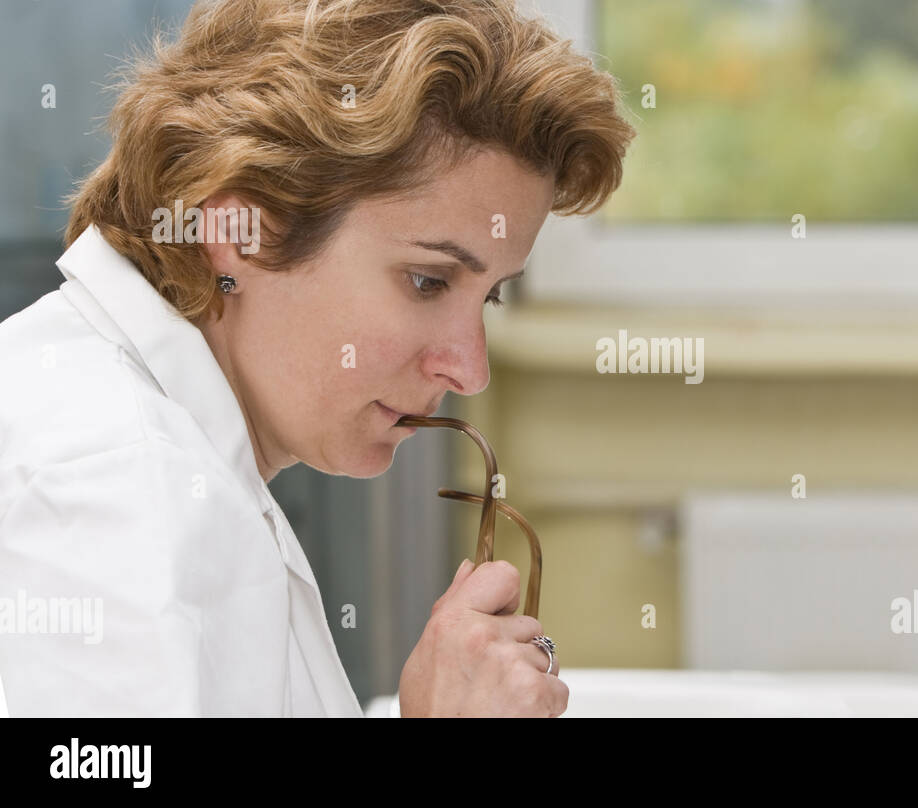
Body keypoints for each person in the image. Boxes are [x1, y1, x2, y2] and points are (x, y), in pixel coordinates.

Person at [0, 0, 635, 717]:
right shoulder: (108, 495)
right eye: (428, 281)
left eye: (488, 297)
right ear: (239, 234)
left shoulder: (176, 454)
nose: (469, 369)